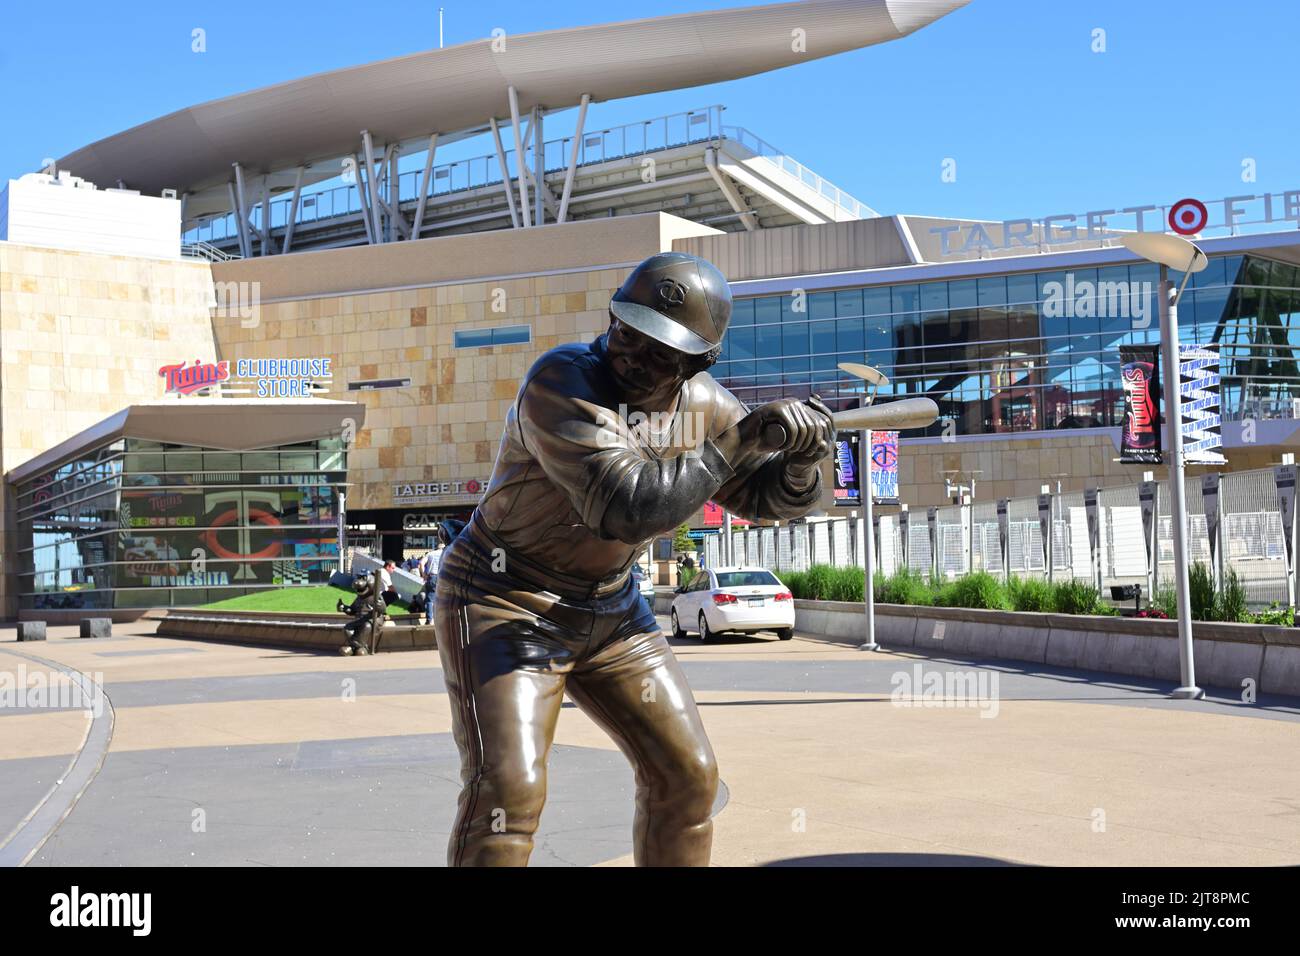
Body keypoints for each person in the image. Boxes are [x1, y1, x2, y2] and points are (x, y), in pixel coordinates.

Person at [434, 251, 834, 867]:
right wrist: (745, 439)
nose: (633, 354)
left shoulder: (704, 405)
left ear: (698, 362)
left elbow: (765, 498)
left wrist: (804, 457)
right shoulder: (562, 382)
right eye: (628, 331)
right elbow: (627, 508)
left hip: (612, 613)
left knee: (689, 776)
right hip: (505, 601)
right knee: (507, 794)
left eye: (659, 351)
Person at [337, 575, 386, 656]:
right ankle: (361, 647)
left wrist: (380, 605)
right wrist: (344, 608)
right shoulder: (359, 598)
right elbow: (352, 610)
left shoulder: (376, 597)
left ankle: (352, 648)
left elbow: (382, 610)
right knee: (347, 628)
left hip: (372, 620)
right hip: (359, 620)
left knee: (366, 626)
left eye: (364, 579)